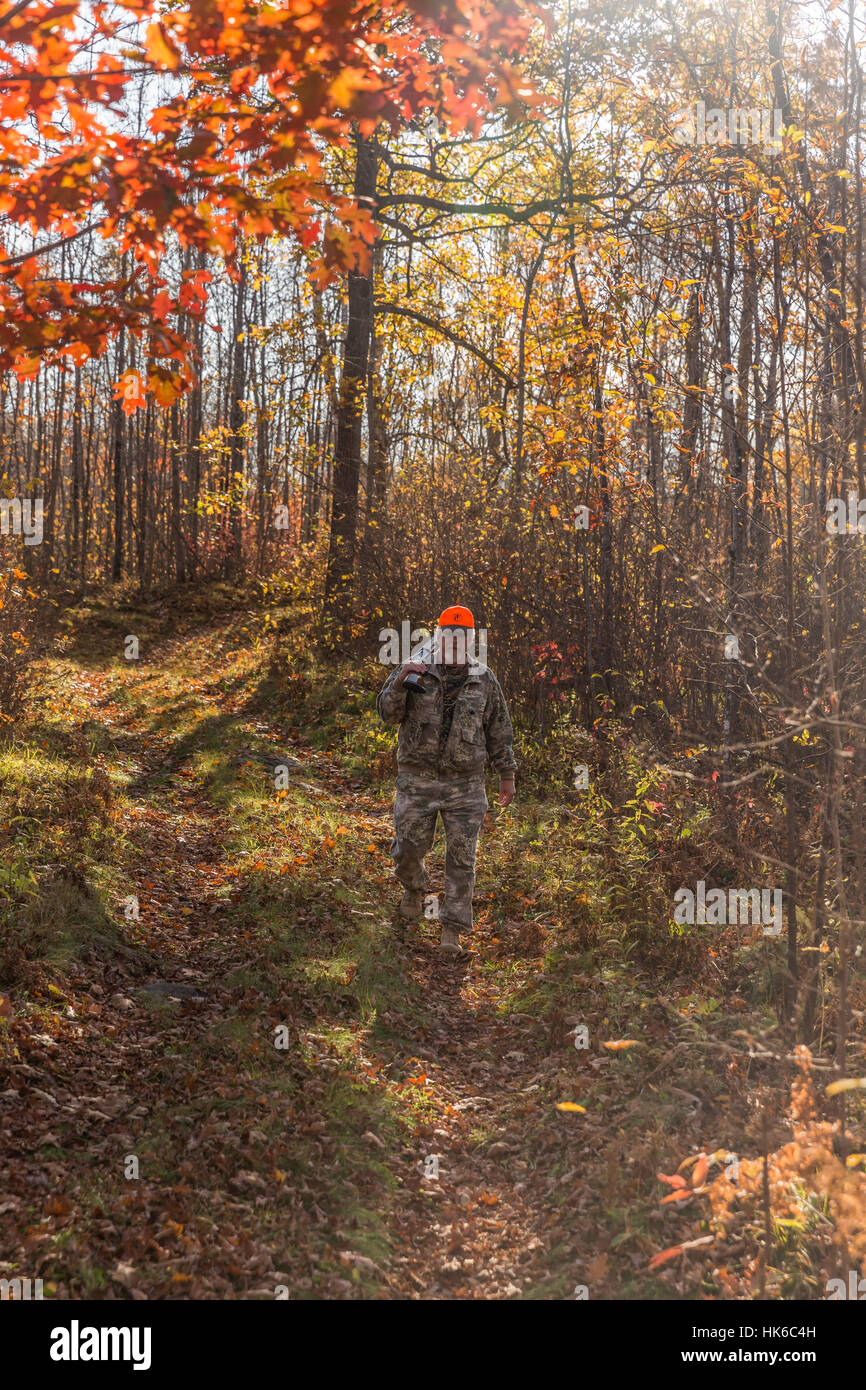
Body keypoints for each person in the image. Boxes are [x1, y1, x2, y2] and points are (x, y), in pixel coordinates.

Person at [376, 606, 516, 957]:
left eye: (461, 635)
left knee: (461, 859)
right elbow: (386, 714)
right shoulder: (416, 670)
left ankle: (452, 930)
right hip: (417, 779)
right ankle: (413, 888)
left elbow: (499, 729)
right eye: (448, 634)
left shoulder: (484, 679)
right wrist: (400, 678)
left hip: (466, 784)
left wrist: (507, 774)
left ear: (470, 639)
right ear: (438, 636)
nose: (454, 641)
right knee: (408, 846)